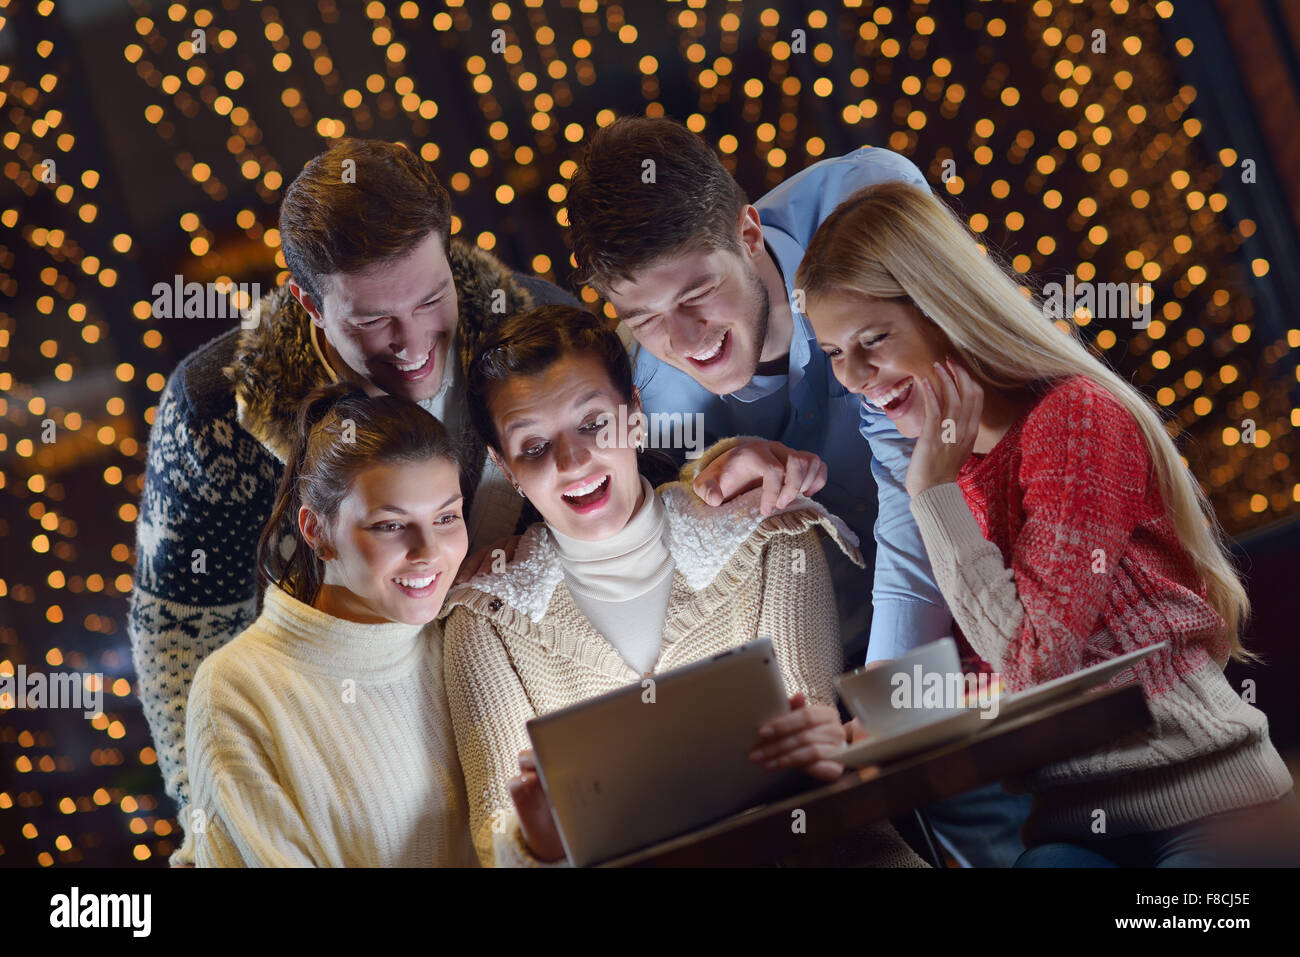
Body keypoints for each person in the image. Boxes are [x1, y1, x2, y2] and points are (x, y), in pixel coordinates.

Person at [564, 115, 1029, 867]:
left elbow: (916, 481)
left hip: (1004, 563)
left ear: (749, 232)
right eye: (644, 318)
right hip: (834, 646)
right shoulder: (649, 392)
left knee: (1005, 819)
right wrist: (706, 477)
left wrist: (883, 720)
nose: (684, 339)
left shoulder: (865, 206)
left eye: (698, 293)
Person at [796, 180, 1300, 867]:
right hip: (1073, 828)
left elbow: (1037, 668)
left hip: (1209, 801)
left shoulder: (1072, 419)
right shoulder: (951, 468)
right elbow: (993, 679)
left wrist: (932, 494)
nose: (854, 376)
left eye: (873, 339)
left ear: (945, 308)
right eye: (832, 353)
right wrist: (863, 731)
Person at [130, 138, 579, 865]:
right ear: (308, 300)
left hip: (519, 720)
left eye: (432, 299)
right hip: (333, 748)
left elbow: (634, 482)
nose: (412, 344)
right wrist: (218, 816)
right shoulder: (214, 406)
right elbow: (178, 628)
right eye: (373, 320)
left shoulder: (536, 326)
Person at [440, 304, 927, 868]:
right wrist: (539, 846)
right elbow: (498, 836)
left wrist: (829, 753)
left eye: (594, 423)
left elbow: (823, 785)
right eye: (534, 448)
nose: (573, 462)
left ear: (635, 416)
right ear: (506, 467)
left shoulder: (769, 534)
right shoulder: (487, 619)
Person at [186, 385, 478, 867]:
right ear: (317, 532)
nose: (429, 551)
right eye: (390, 525)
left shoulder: (466, 629)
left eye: (447, 517)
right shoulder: (237, 689)